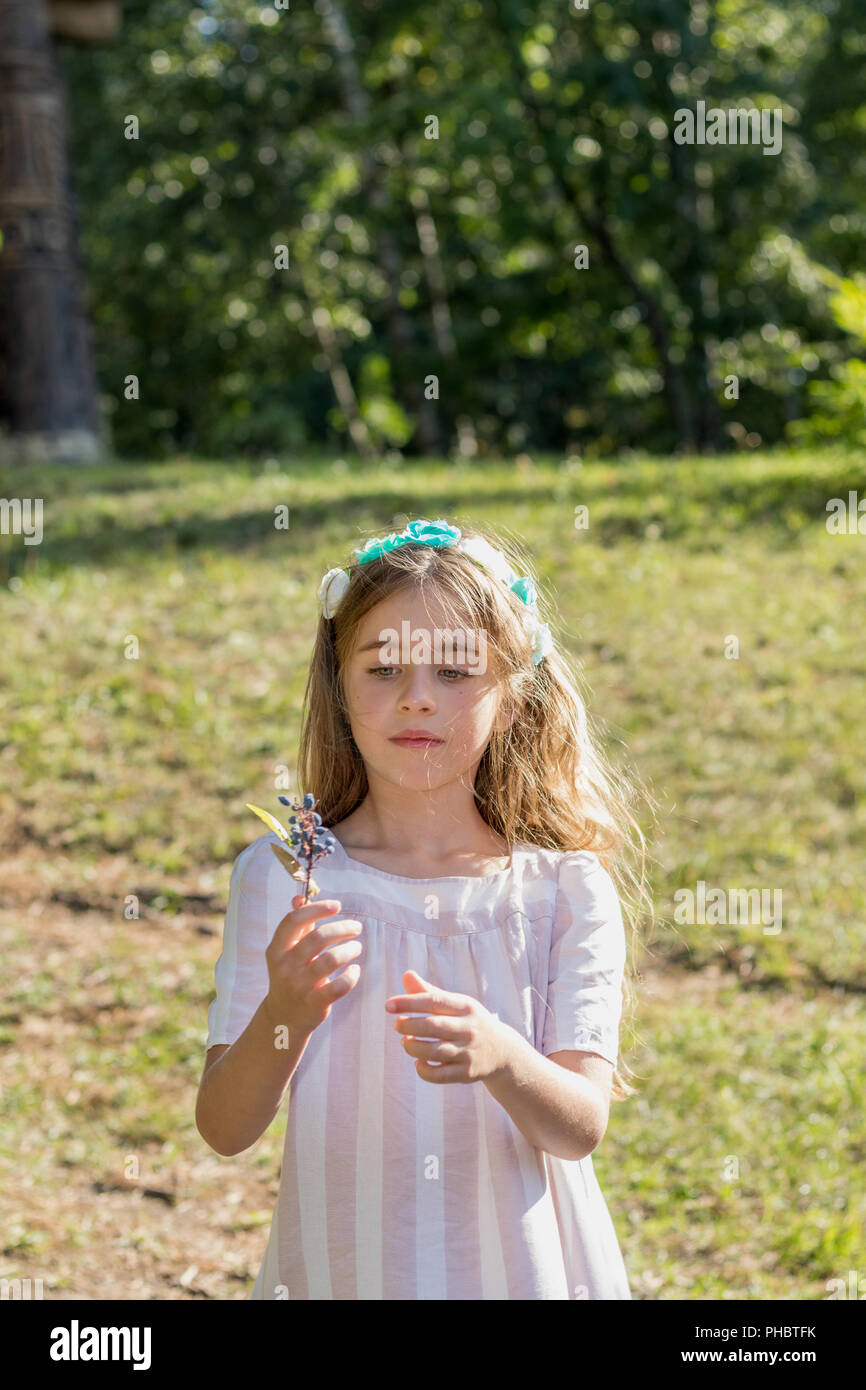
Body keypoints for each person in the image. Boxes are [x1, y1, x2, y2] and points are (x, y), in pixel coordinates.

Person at [196, 517, 653, 1299]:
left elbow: (578, 1129)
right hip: (348, 1274)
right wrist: (287, 1011)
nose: (415, 700)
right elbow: (225, 1128)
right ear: (341, 690)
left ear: (511, 697)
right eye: (383, 670)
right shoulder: (287, 879)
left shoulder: (562, 893)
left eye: (453, 671)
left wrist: (504, 1057)